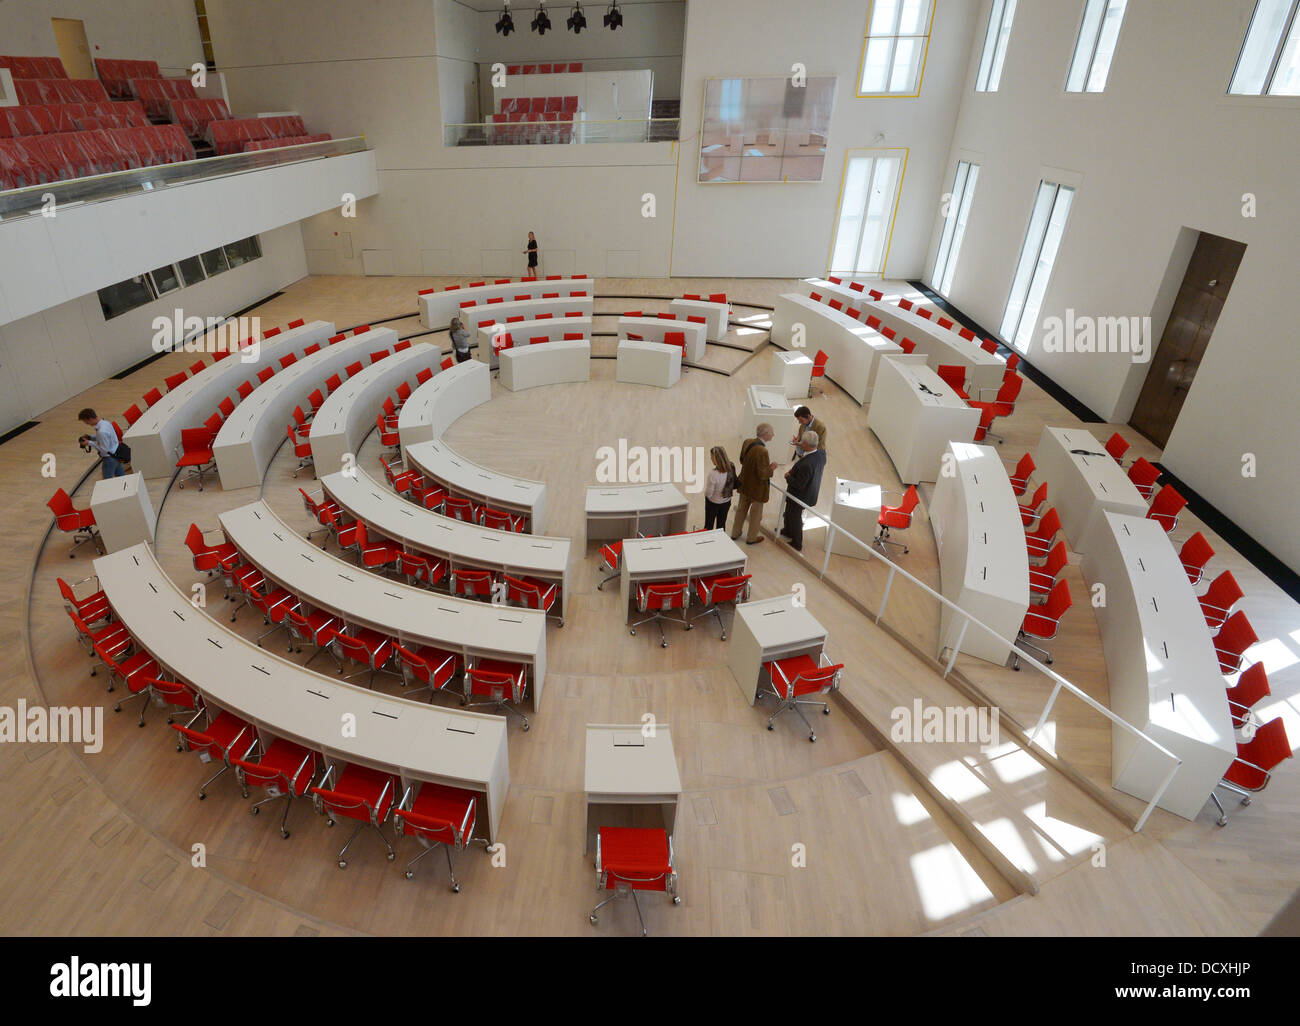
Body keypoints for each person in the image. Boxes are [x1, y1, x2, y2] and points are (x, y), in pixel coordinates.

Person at [780, 430, 827, 552]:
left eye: (802, 442)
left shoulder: (806, 464)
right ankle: (787, 531)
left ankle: (797, 542)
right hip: (810, 492)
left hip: (800, 496)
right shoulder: (821, 454)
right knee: (789, 512)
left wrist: (788, 476)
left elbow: (799, 485)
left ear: (806, 444)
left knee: (795, 517)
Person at [731, 423, 777, 545]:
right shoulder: (762, 451)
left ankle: (735, 533)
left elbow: (742, 460)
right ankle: (751, 538)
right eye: (772, 432)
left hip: (744, 483)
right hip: (757, 489)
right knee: (756, 515)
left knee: (741, 509)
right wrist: (771, 468)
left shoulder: (747, 442)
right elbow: (763, 474)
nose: (773, 435)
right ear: (765, 434)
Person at [78, 408, 128, 479]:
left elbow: (104, 450)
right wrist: (91, 437)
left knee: (106, 482)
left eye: (86, 422)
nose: (87, 424)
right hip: (116, 454)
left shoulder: (101, 431)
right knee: (122, 478)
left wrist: (89, 443)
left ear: (89, 419)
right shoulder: (106, 423)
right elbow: (106, 437)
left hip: (109, 459)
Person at [703, 446, 736, 531]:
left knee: (708, 526)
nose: (711, 459)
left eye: (711, 457)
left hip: (713, 503)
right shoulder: (731, 467)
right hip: (726, 502)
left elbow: (709, 494)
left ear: (716, 459)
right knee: (721, 526)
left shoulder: (713, 474)